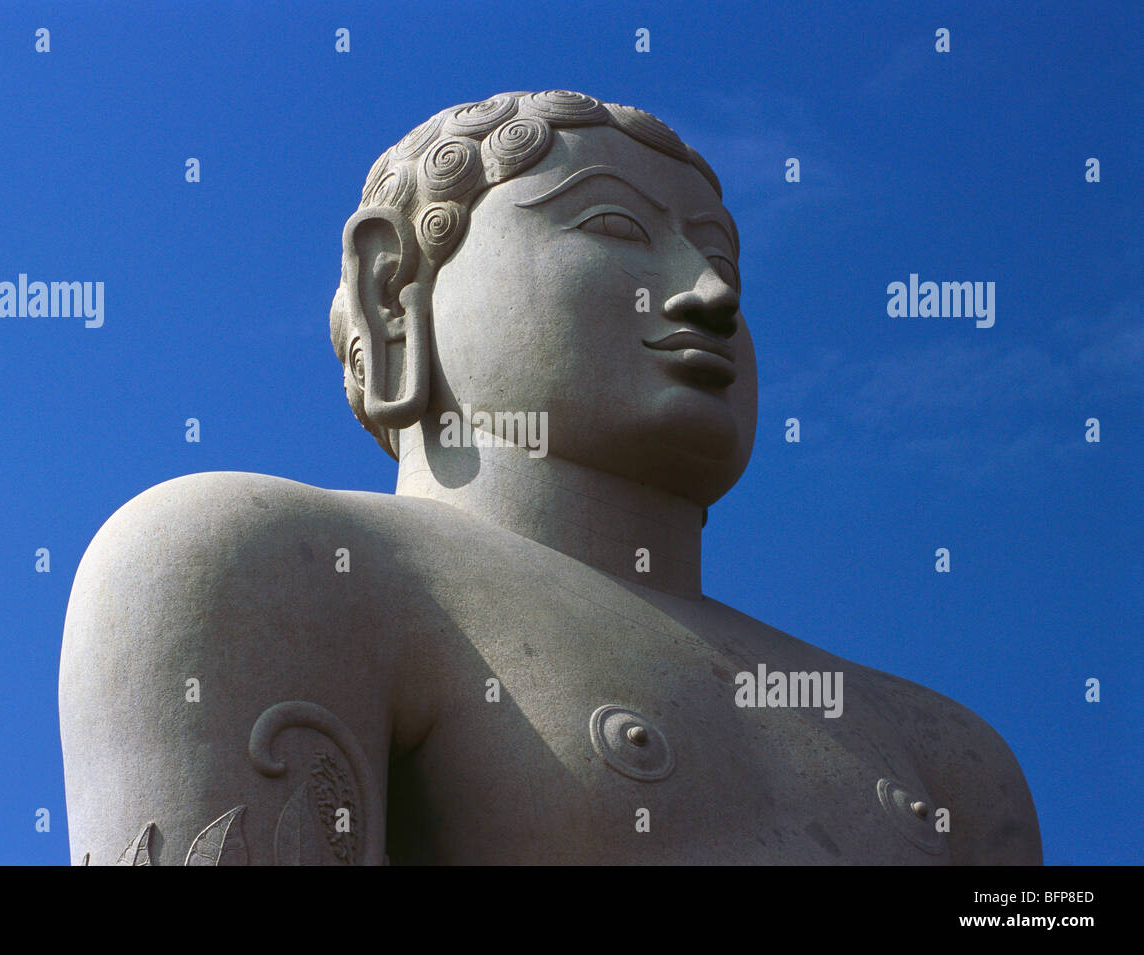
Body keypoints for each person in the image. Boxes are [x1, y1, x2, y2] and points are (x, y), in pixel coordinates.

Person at [60, 90, 1041, 865]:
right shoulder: (273, 560)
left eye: (718, 257)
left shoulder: (946, 748)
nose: (708, 294)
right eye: (612, 227)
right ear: (394, 290)